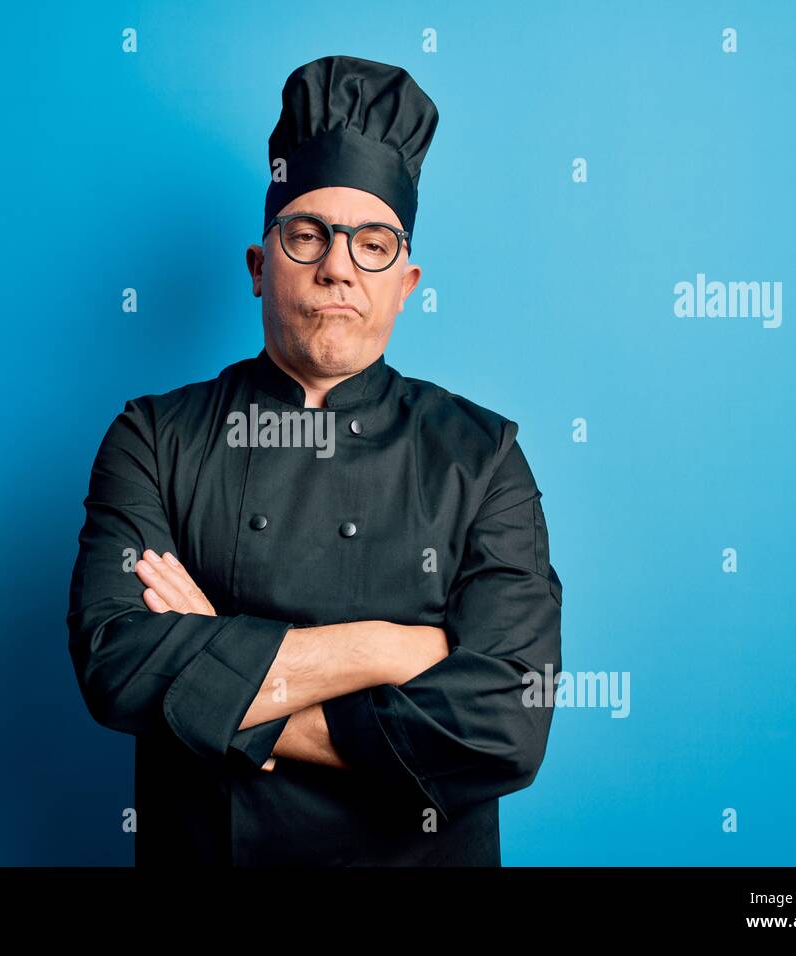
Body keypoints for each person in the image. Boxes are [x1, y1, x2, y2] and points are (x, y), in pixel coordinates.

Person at [67, 54, 563, 866]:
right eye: (308, 235)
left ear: (405, 283)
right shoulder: (155, 437)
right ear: (261, 269)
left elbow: (508, 724)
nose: (338, 265)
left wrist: (227, 684)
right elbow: (116, 662)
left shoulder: (484, 456)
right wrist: (387, 647)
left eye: (371, 244)